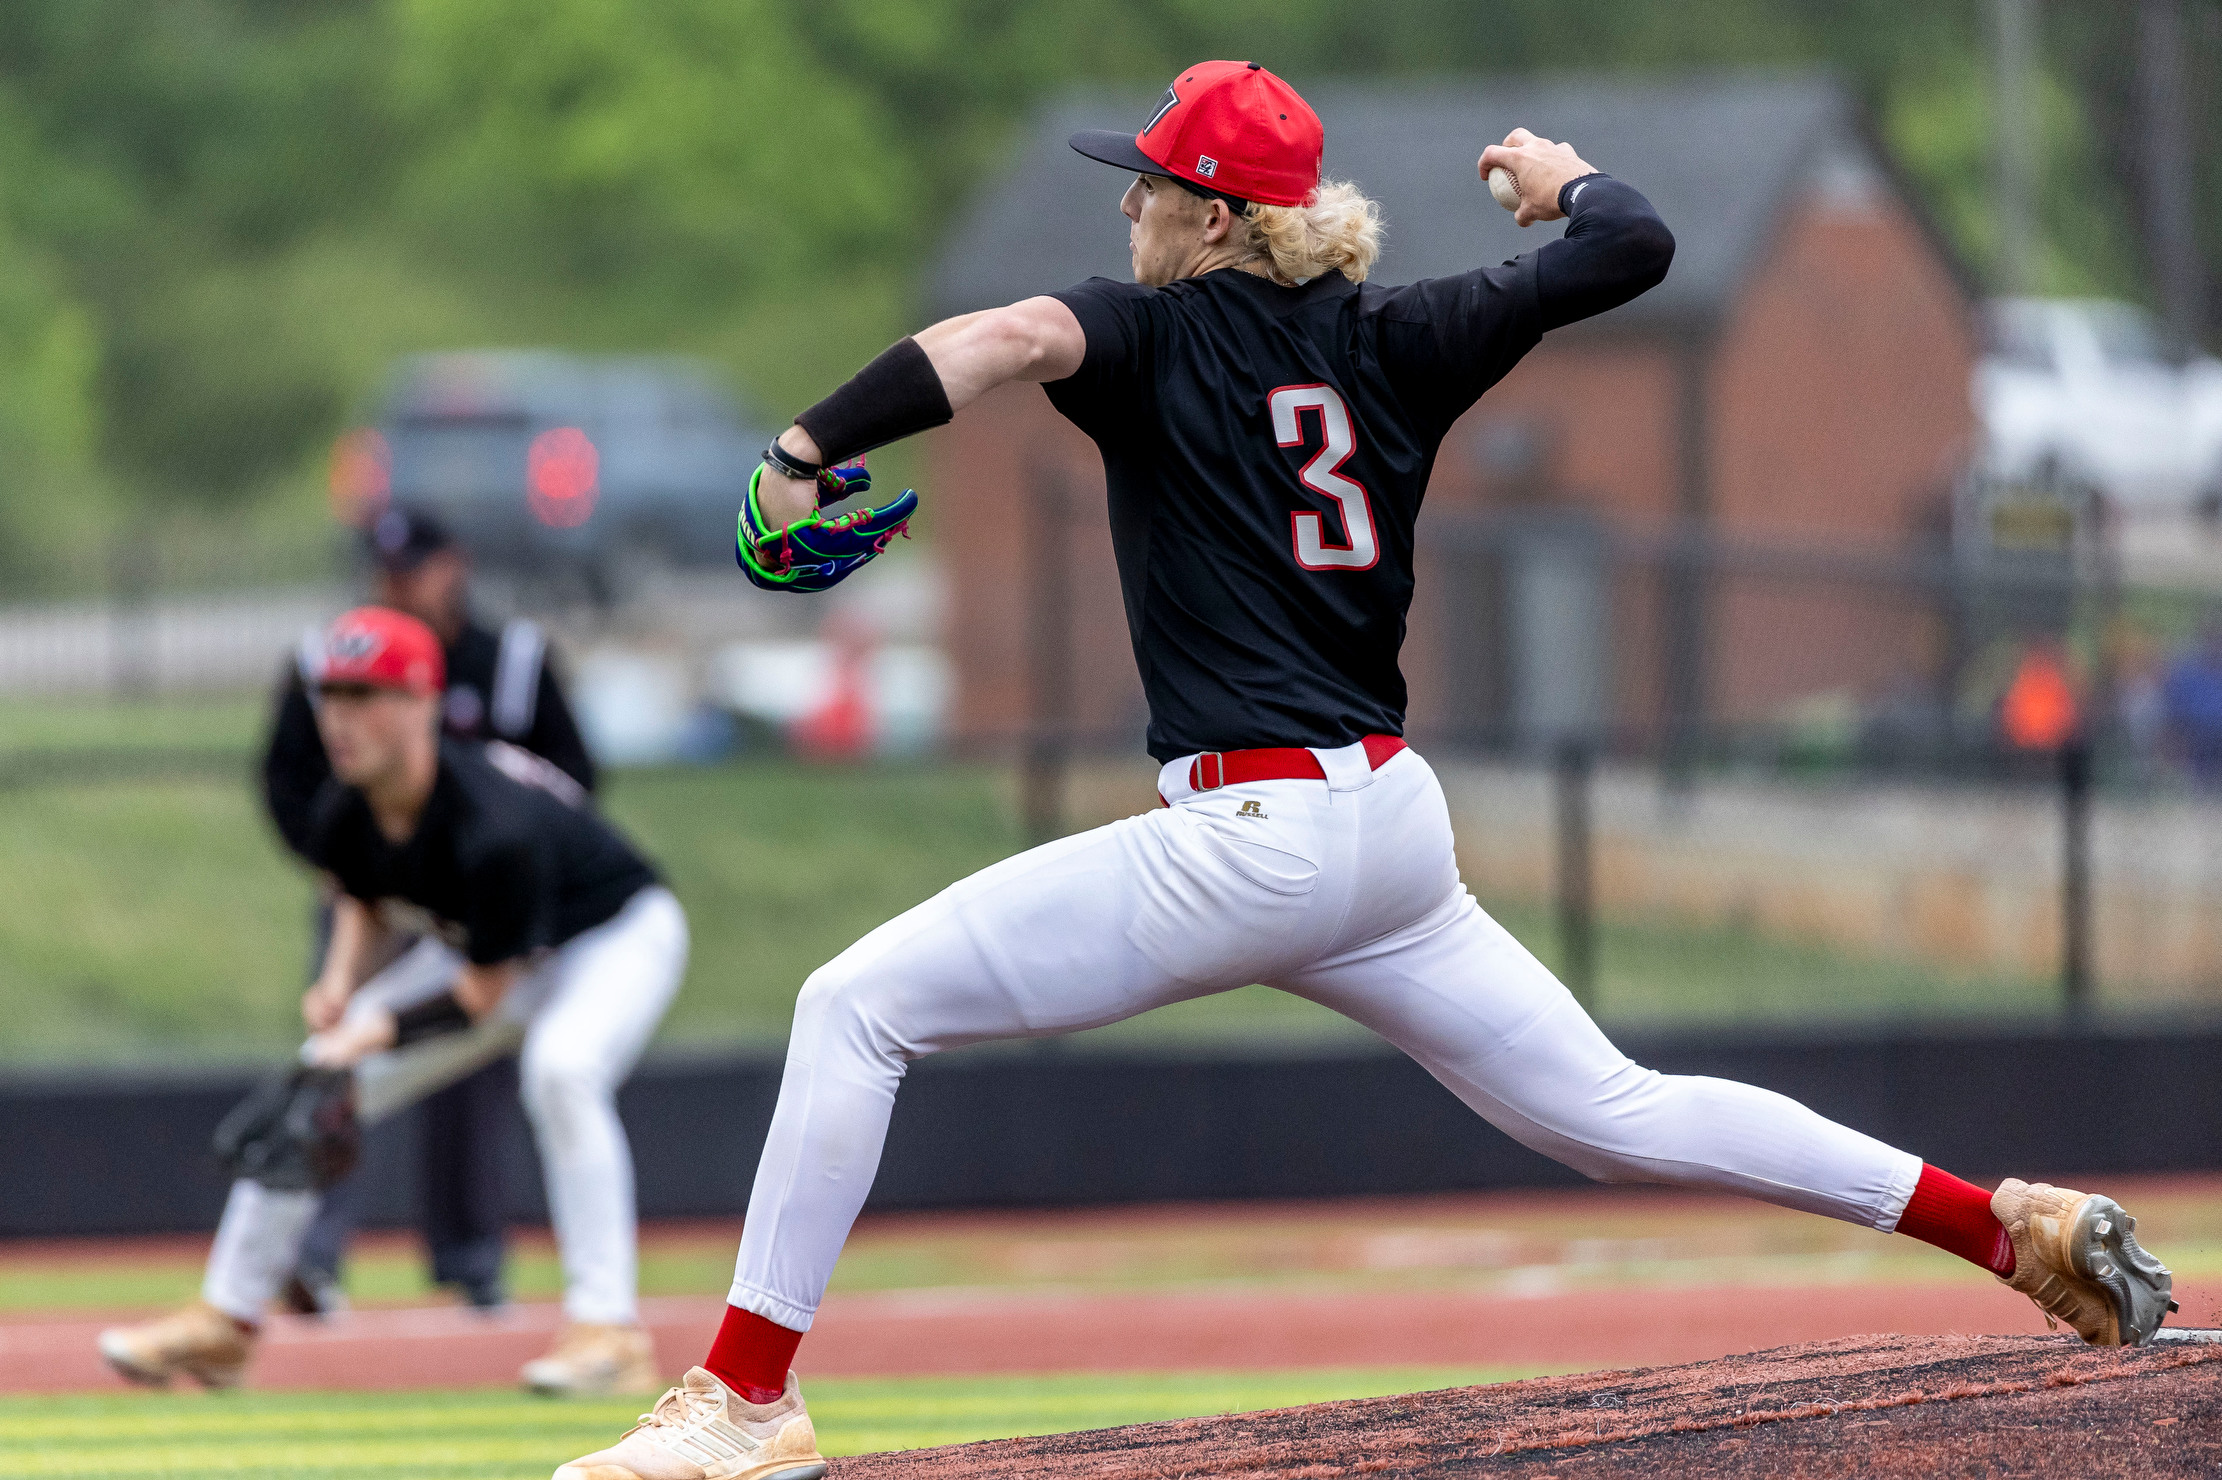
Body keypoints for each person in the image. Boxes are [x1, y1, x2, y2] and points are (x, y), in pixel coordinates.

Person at [553, 62, 2176, 1480]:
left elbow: (992, 338)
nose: (1127, 212)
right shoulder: (1397, 334)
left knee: (854, 1003)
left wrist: (804, 448)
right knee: (1616, 1107)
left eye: (1146, 188)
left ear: (1207, 219)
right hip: (1385, 830)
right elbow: (1632, 248)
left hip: (1248, 836)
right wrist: (1565, 183)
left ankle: (744, 1403)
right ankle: (2005, 1225)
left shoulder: (1145, 331)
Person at [101, 607, 685, 1397]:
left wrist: (372, 1027)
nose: (339, 719)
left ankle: (609, 1332)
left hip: (610, 939)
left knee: (561, 1069)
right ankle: (225, 1325)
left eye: (364, 696)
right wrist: (340, 988)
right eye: (331, 697)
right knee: (317, 1081)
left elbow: (484, 996)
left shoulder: (493, 826)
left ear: (423, 703)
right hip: (492, 947)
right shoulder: (348, 801)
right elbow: (361, 895)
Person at [263, 506, 597, 1313]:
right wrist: (340, 872)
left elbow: (572, 777)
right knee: (336, 1057)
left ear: (455, 565)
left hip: (478, 897)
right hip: (373, 894)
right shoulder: (326, 658)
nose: (398, 587)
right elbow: (285, 778)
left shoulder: (511, 660)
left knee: (471, 1065)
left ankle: (472, 1259)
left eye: (413, 569)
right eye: (386, 573)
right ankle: (309, 1257)